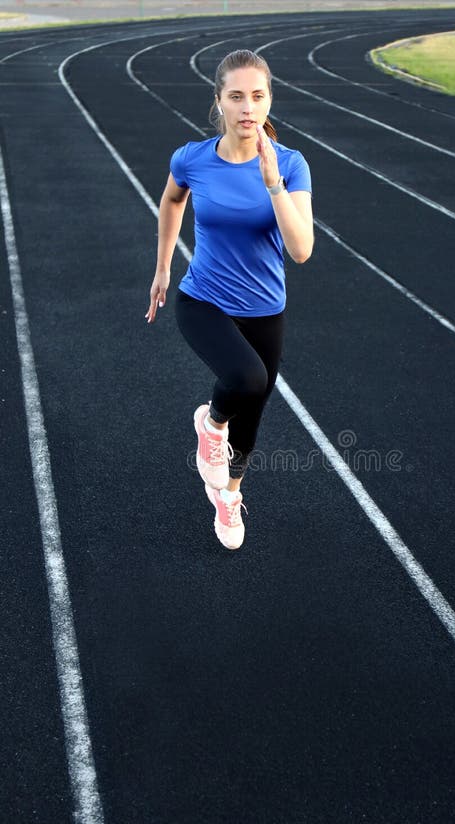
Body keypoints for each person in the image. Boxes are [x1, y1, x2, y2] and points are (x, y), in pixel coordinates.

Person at [145, 49, 314, 550]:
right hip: (204, 301)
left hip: (265, 309)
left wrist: (272, 184)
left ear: (268, 102)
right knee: (245, 379)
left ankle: (229, 495)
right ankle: (209, 422)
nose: (247, 107)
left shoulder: (290, 164)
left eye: (257, 96)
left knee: (253, 416)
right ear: (218, 101)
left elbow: (301, 249)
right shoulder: (192, 158)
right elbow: (173, 200)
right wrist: (162, 266)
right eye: (236, 96)